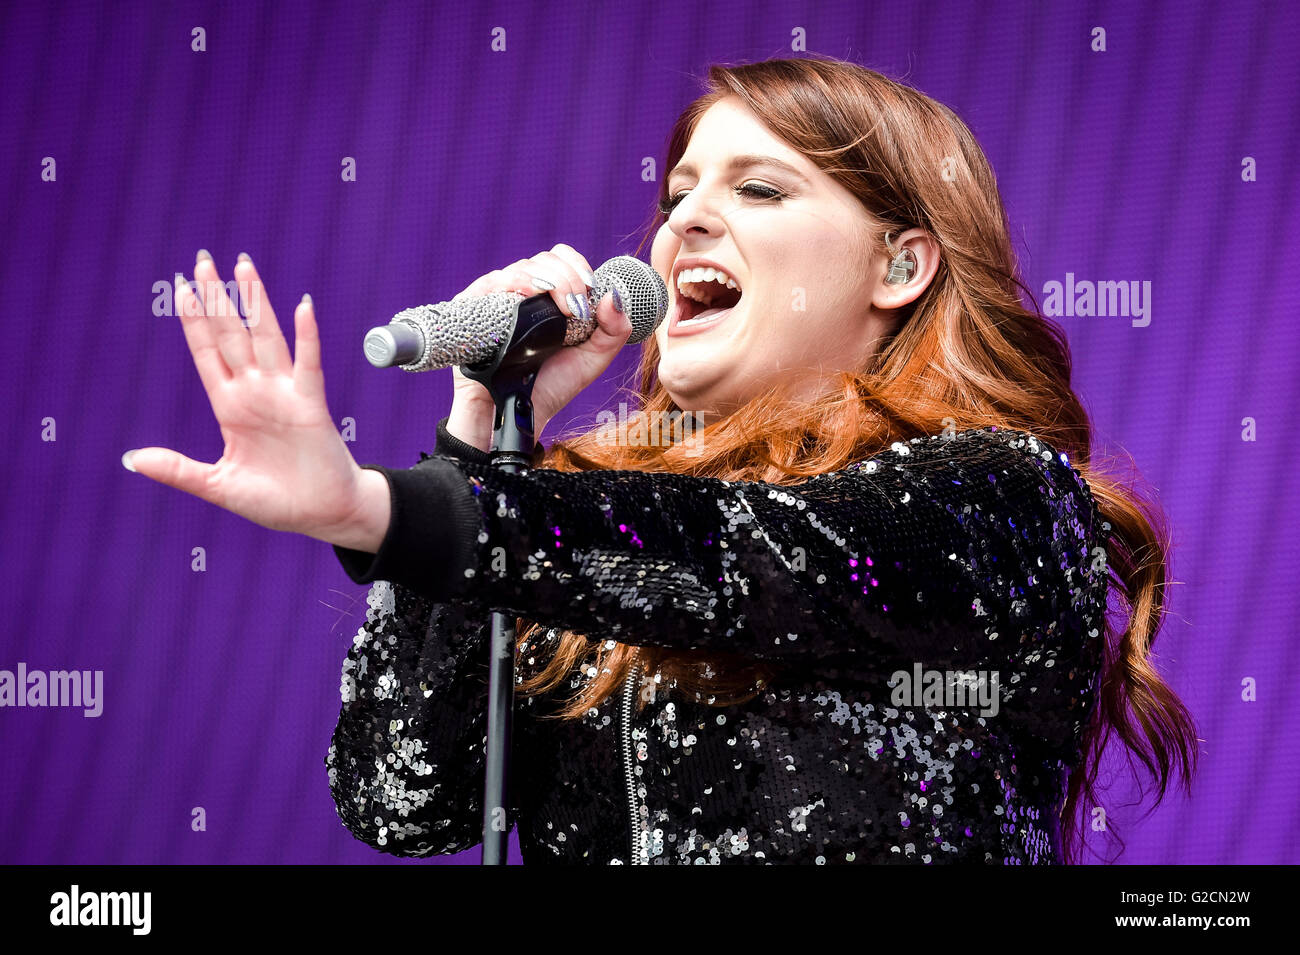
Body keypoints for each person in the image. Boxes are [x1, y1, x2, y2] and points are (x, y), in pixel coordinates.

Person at [125, 55, 1197, 864]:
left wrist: (383, 509)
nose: (683, 222)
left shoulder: (1004, 497)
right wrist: (479, 427)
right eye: (678, 194)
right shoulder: (580, 521)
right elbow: (402, 794)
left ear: (900, 263)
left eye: (758, 189)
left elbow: (757, 560)